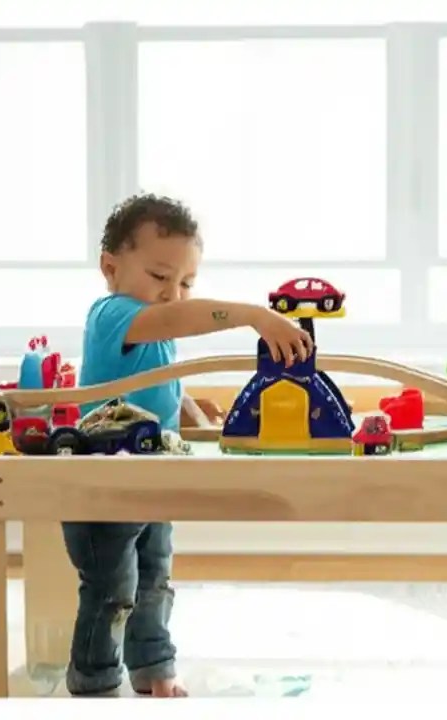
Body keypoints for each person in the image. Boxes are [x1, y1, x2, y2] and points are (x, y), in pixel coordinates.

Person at [63, 192, 313, 697]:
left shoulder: (155, 328)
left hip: (153, 475)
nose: (173, 294)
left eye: (186, 283)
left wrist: (189, 405)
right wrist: (253, 316)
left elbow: (154, 380)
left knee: (155, 577)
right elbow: (179, 320)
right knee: (113, 589)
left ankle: (153, 665)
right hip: (105, 483)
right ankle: (93, 680)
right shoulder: (112, 313)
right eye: (160, 277)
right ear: (110, 267)